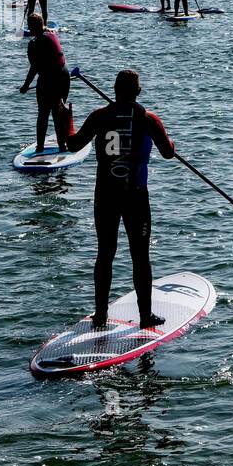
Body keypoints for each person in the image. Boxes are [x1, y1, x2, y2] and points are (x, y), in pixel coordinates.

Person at [64, 69, 176, 329]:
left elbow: (72, 145)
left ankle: (100, 315)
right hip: (135, 196)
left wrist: (66, 119)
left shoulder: (99, 116)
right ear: (138, 92)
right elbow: (168, 153)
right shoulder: (149, 118)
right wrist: (170, 140)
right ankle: (145, 317)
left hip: (105, 195)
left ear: (115, 90)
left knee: (105, 253)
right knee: (140, 256)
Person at [18, 13, 71, 153]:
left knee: (43, 113)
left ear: (32, 27)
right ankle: (62, 145)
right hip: (64, 77)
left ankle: (40, 147)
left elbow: (34, 68)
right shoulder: (52, 34)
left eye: (30, 27)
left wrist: (25, 86)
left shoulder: (35, 43)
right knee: (57, 111)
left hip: (50, 80)